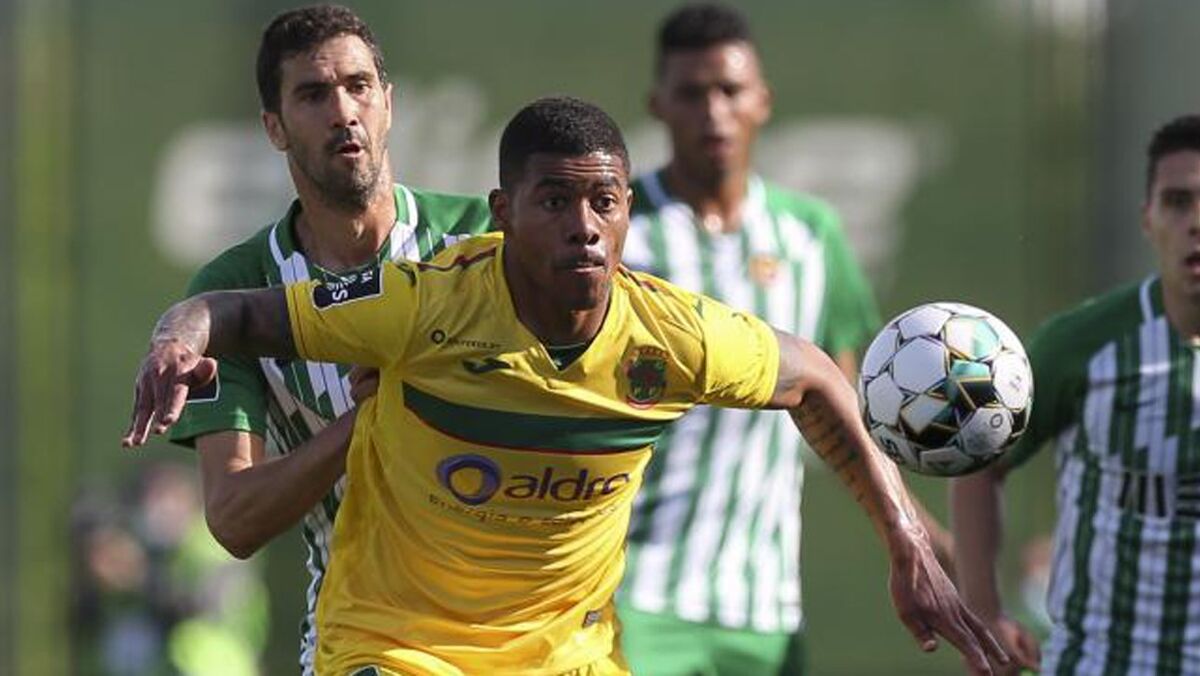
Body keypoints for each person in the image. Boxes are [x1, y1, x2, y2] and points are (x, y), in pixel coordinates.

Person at [123, 96, 1006, 675]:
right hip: (397, 649)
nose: (585, 227)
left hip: (568, 659)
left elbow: (814, 377)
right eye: (555, 202)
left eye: (606, 202)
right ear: (503, 213)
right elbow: (240, 312)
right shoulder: (421, 304)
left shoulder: (670, 335)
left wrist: (906, 543)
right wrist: (180, 331)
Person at [155, 6, 492, 674]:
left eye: (359, 86)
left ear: (389, 105)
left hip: (516, 626)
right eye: (313, 94)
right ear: (273, 129)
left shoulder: (482, 241)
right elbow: (234, 517)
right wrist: (367, 420)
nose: (343, 111)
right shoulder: (240, 288)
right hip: (363, 637)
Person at [617, 5, 951, 674]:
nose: (713, 111)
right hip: (632, 593)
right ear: (658, 104)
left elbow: (848, 417)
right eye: (691, 93)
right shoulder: (621, 230)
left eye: (730, 90)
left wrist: (925, 539)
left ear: (762, 101)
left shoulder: (811, 236)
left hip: (764, 608)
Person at [952, 114, 1200, 675]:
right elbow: (980, 463)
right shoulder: (1082, 345)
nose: (1196, 222)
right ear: (1148, 219)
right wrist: (985, 613)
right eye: (1178, 202)